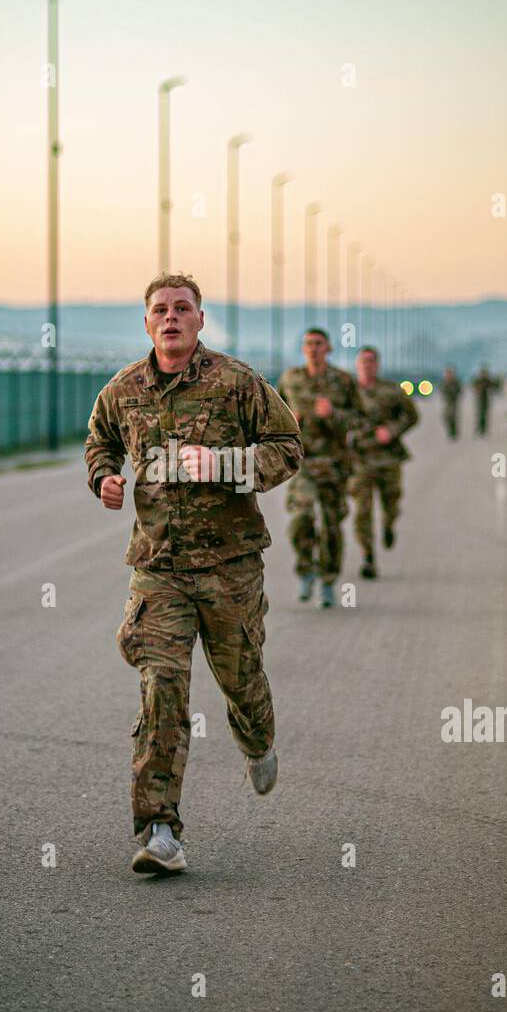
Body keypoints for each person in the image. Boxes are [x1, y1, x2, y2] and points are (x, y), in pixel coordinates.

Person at [85, 272, 303, 876]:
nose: (172, 318)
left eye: (183, 308)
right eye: (161, 310)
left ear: (200, 320)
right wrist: (103, 477)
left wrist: (228, 462)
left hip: (230, 566)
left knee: (242, 679)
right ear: (148, 322)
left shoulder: (238, 383)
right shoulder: (122, 390)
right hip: (159, 569)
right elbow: (100, 439)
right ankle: (160, 831)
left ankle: (256, 738)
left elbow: (288, 445)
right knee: (163, 689)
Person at [277, 328, 364, 606]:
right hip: (302, 464)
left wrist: (334, 414)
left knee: (330, 525)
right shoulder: (291, 379)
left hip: (335, 466)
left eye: (318, 344)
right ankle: (306, 570)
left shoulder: (342, 381)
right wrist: (290, 420)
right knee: (301, 518)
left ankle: (328, 579)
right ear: (303, 349)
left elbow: (360, 421)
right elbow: (273, 417)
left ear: (328, 349)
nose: (313, 348)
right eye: (308, 344)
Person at [350, 345, 419, 580]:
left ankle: (388, 525)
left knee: (391, 503)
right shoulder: (349, 392)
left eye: (371, 361)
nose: (367, 365)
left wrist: (392, 430)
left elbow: (411, 416)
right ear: (357, 365)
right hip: (360, 459)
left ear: (377, 364)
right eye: (363, 361)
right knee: (362, 510)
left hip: (388, 458)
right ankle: (367, 556)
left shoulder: (391, 390)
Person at [472, 366, 501, 436]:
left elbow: (495, 387)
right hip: (479, 400)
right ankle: (480, 429)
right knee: (479, 415)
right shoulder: (478, 380)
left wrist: (498, 379)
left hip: (486, 400)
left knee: (484, 415)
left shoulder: (488, 381)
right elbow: (474, 388)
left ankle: (483, 430)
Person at [440, 366, 462, 439]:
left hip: (453, 402)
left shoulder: (455, 381)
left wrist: (454, 392)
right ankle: (451, 431)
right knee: (446, 417)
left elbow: (459, 391)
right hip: (447, 402)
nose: (448, 375)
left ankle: (454, 432)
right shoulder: (445, 381)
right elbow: (441, 390)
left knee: (452, 416)